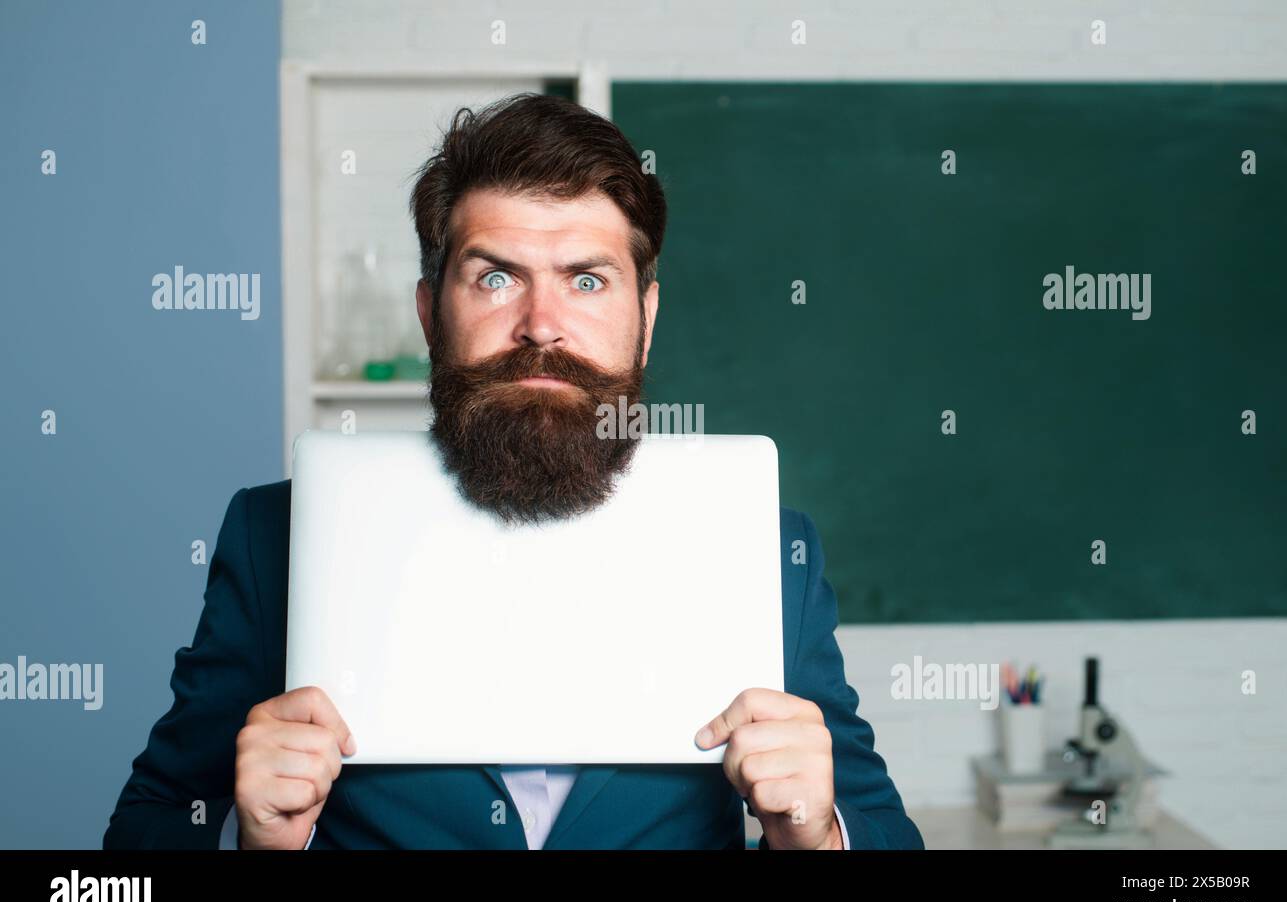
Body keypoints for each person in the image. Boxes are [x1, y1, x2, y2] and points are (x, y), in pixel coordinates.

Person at [103, 93, 923, 851]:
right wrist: (248, 840)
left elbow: (882, 830)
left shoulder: (763, 552)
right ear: (430, 314)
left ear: (646, 321)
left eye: (587, 280)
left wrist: (817, 835)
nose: (541, 326)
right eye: (495, 277)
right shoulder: (277, 537)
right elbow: (136, 847)